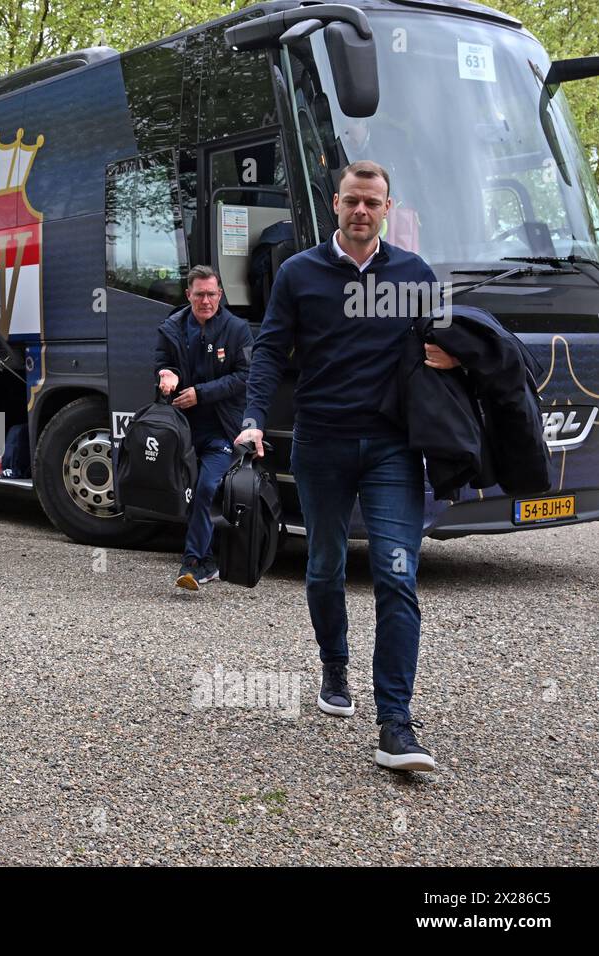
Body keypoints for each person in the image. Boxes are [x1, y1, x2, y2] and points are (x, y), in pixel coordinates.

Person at [237, 160, 460, 773]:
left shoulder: (413, 274)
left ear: (388, 208)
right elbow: (269, 351)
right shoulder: (298, 274)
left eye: (373, 203)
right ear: (335, 204)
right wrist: (253, 416)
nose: (362, 211)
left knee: (396, 574)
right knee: (326, 563)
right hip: (322, 445)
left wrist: (451, 359)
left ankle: (396, 723)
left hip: (392, 448)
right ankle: (334, 666)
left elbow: (448, 341)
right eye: (352, 201)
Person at [153, 266, 253, 589]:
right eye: (199, 295)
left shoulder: (237, 330)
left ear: (220, 295)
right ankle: (208, 561)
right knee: (185, 489)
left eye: (211, 294)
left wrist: (201, 394)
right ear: (188, 296)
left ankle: (193, 562)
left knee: (208, 488)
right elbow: (161, 365)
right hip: (182, 431)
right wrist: (166, 376)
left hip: (222, 431)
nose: (206, 300)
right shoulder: (171, 328)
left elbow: (245, 376)